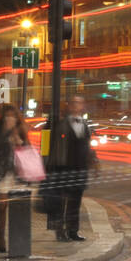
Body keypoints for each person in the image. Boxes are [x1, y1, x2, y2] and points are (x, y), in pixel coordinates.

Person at [49, 95, 96, 242]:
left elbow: (88, 146)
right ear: (69, 105)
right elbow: (55, 146)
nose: (77, 105)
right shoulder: (61, 124)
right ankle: (60, 231)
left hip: (80, 169)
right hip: (64, 167)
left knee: (75, 201)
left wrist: (94, 162)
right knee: (62, 202)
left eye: (80, 102)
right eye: (74, 102)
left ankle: (73, 231)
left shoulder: (85, 124)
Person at [0, 105, 27, 253]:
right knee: (2, 205)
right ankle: (1, 238)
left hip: (17, 171)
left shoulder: (20, 127)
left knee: (17, 206)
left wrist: (18, 138)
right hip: (1, 171)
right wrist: (8, 130)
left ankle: (18, 239)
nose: (10, 118)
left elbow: (26, 145)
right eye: (7, 115)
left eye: (12, 115)